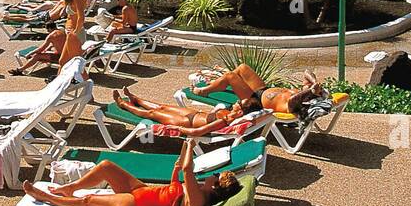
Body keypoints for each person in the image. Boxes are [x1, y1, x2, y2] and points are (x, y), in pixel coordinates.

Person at [21, 138, 241, 206]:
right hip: (143, 191)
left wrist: (192, 146)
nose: (212, 175)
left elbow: (187, 169)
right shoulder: (200, 191)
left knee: (88, 200)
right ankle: (71, 188)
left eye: (216, 176)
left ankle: (46, 197)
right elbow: (179, 170)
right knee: (106, 166)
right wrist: (184, 147)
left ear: (217, 186)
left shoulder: (199, 199)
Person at [111, 89, 258, 137]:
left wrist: (179, 130)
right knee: (161, 106)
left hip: (185, 122)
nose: (237, 102)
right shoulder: (229, 112)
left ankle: (123, 104)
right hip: (193, 113)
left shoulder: (225, 120)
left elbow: (199, 131)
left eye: (239, 103)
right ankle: (136, 99)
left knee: (151, 113)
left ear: (240, 112)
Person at [191, 65, 325, 115]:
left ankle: (204, 91)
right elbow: (307, 72)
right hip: (263, 89)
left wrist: (311, 92)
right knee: (243, 68)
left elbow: (293, 100)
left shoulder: (292, 105)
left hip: (256, 100)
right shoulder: (305, 92)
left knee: (230, 76)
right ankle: (220, 82)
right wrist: (314, 83)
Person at [56, 0, 87, 66]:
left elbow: (81, 17)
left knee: (73, 62)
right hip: (71, 32)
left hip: (74, 34)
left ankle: (80, 79)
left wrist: (75, 32)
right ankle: (61, 79)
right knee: (63, 61)